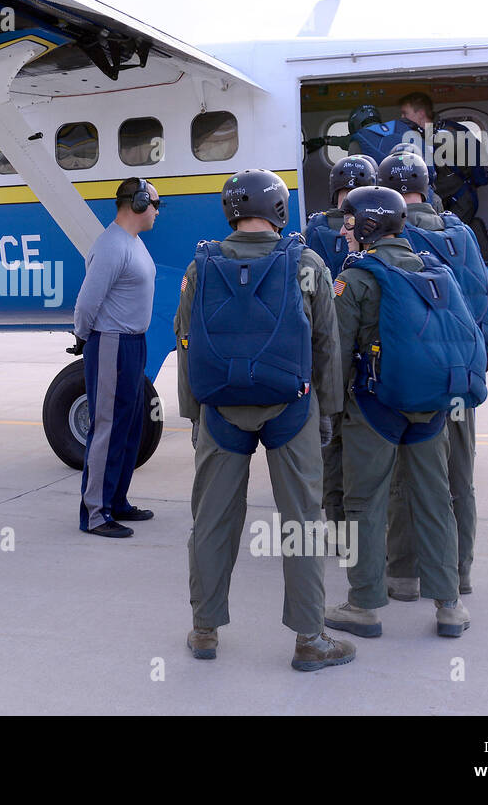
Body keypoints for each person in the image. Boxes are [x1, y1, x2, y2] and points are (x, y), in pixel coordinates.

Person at [175, 169, 355, 671]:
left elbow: (185, 342)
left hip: (220, 411)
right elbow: (326, 345)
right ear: (278, 208)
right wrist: (328, 414)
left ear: (230, 210)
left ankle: (205, 629)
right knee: (301, 524)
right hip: (291, 407)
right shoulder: (309, 263)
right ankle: (310, 638)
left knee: (212, 521)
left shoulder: (201, 265)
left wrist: (194, 415)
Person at [324, 185, 486, 639]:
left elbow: (335, 356)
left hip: (375, 409)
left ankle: (363, 605)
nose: (345, 230)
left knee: (364, 504)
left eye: (351, 222)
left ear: (370, 226)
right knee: (435, 500)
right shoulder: (432, 271)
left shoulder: (354, 278)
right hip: (430, 410)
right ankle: (450, 606)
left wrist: (328, 415)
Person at [378, 152, 488, 599]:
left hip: (412, 383)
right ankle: (460, 571)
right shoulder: (461, 233)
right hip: (460, 378)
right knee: (459, 478)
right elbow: (487, 296)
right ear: (428, 186)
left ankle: (404, 576)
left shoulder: (390, 235)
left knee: (404, 479)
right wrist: (480, 357)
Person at [72, 178, 160, 538]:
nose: (158, 210)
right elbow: (87, 302)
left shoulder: (133, 243)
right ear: (137, 203)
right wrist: (83, 337)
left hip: (133, 343)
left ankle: (117, 500)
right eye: (155, 202)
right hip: (111, 343)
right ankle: (95, 513)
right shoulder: (111, 245)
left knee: (130, 425)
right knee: (107, 427)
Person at [303, 154, 377, 537]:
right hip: (371, 358)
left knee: (330, 443)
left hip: (328, 353)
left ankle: (336, 526)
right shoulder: (382, 225)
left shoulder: (316, 228)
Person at [398, 91, 488, 231]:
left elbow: (480, 172)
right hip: (438, 202)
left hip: (459, 201)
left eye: (405, 113)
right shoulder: (417, 137)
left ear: (420, 114)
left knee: (452, 241)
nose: (402, 118)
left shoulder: (449, 133)